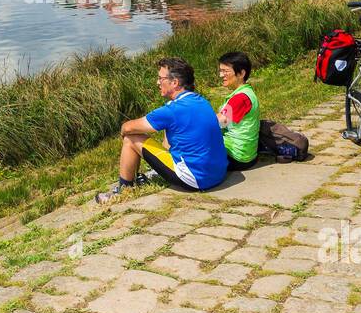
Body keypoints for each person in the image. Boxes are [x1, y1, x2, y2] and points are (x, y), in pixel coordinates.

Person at [97, 56, 228, 204]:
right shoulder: (201, 101)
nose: (157, 82)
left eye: (161, 78)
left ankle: (124, 190)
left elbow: (127, 127)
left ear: (174, 82)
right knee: (171, 129)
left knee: (130, 138)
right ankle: (145, 176)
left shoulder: (172, 110)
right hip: (218, 173)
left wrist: (123, 132)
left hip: (197, 179)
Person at [216, 51, 260, 170]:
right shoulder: (245, 92)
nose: (221, 75)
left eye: (225, 71)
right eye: (220, 71)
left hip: (237, 156)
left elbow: (218, 123)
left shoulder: (240, 98)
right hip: (244, 153)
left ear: (241, 73)